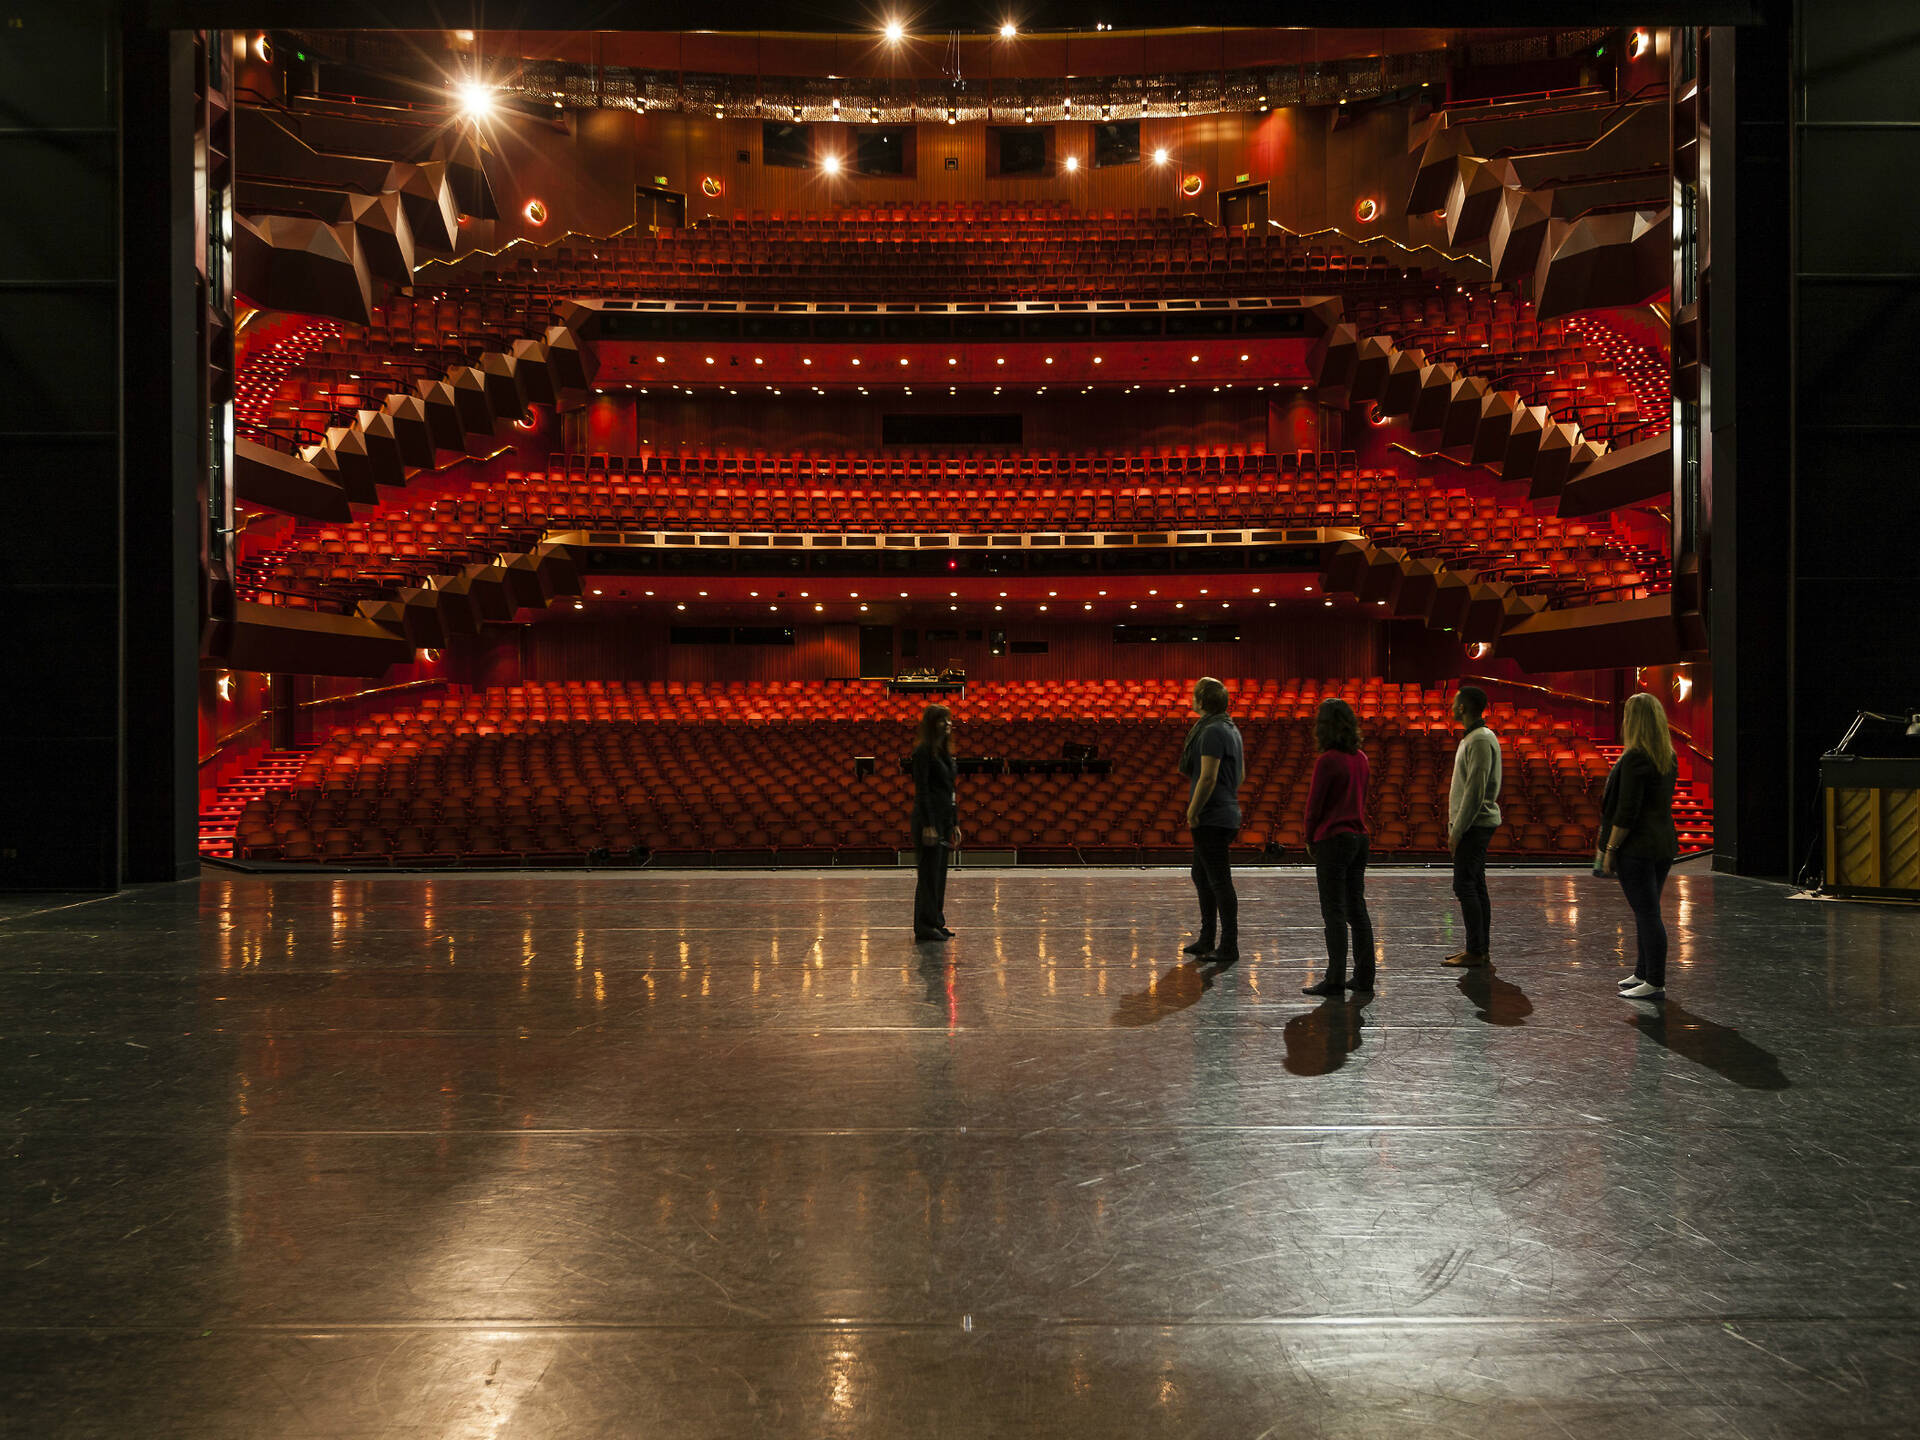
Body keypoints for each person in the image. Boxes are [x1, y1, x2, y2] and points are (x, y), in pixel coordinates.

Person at [1600, 692, 1682, 999]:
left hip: (1637, 847)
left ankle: (1655, 981)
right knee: (1646, 910)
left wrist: (1610, 850)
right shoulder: (1667, 756)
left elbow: (1626, 813)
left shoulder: (1635, 757)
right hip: (1663, 844)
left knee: (1647, 913)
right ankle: (1642, 972)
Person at [1302, 697, 1376, 996]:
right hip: (1359, 838)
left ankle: (1334, 978)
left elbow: (1314, 806)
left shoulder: (1328, 760)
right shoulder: (1361, 758)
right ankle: (1364, 976)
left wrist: (1309, 837)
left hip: (1333, 839)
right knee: (1357, 910)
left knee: (1333, 911)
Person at [1179, 677, 1244, 966]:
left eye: (1195, 696)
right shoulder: (1230, 728)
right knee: (1202, 876)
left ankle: (1228, 944)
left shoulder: (1212, 732)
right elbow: (1239, 776)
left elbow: (1207, 776)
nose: (1192, 699)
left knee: (1218, 881)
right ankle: (1207, 939)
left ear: (1202, 701)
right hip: (1224, 811)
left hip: (1212, 816)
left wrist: (1194, 810)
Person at [1444, 684, 1502, 967]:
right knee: (1475, 886)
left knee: (1465, 886)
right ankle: (1478, 948)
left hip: (1474, 826)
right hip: (1473, 825)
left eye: (1455, 702)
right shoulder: (1475, 737)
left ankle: (1476, 951)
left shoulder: (1479, 739)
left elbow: (1475, 791)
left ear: (1463, 707)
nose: (1451, 706)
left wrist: (1457, 831)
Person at [909, 704, 960, 943]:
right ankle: (924, 925)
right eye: (943, 720)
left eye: (949, 720)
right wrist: (928, 824)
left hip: (944, 820)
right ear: (932, 724)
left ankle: (936, 921)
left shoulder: (944, 753)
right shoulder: (922, 752)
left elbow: (950, 790)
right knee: (928, 874)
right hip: (928, 821)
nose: (948, 724)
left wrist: (955, 822)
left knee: (939, 874)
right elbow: (923, 791)